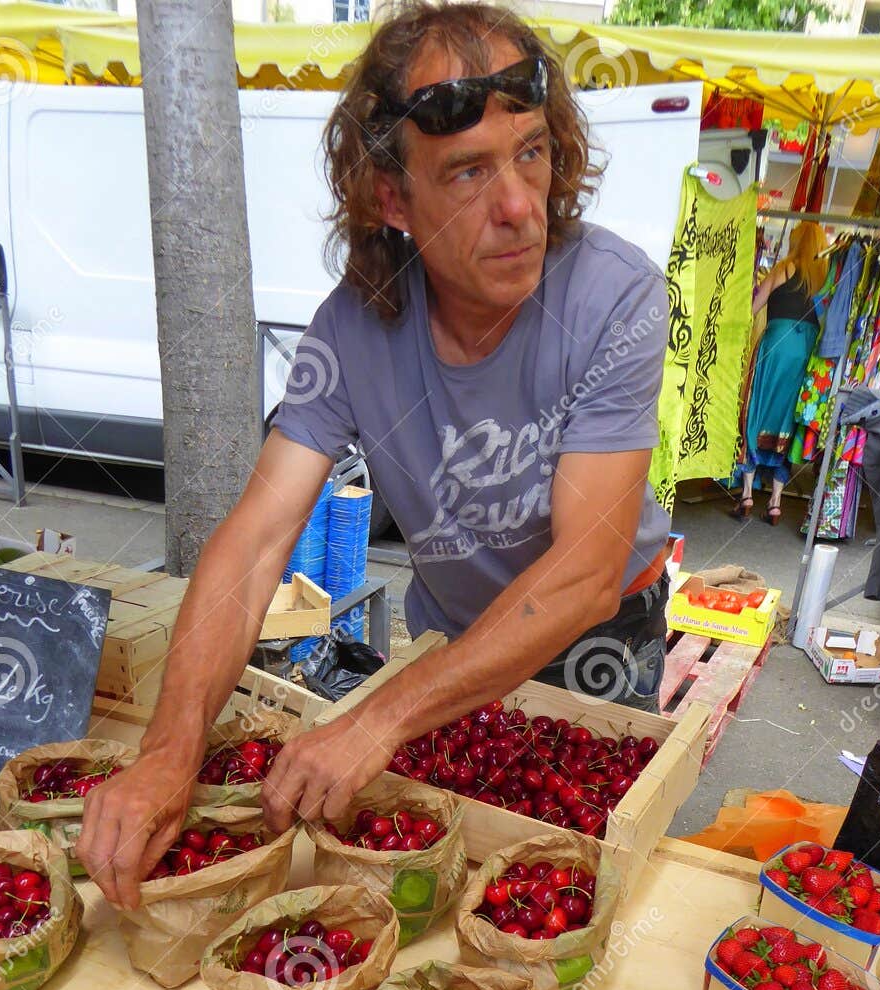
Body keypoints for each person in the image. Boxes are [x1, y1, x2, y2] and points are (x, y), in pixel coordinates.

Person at [78, 0, 671, 910]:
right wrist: (168, 750)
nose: (519, 207)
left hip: (598, 642)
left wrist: (380, 717)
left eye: (532, 152)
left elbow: (587, 570)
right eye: (469, 173)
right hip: (450, 643)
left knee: (566, 893)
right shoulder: (353, 329)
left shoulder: (615, 297)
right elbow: (256, 538)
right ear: (392, 199)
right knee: (437, 885)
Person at [733, 221, 825, 526]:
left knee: (756, 406)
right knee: (787, 414)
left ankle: (746, 494)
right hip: (805, 347)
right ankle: (775, 502)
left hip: (776, 341)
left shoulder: (784, 268)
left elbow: (754, 307)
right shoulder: (823, 276)